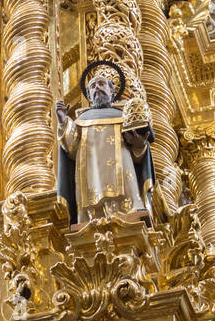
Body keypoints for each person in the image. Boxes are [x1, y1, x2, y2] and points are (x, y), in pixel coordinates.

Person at [56, 61, 156, 227]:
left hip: (123, 173)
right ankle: (90, 218)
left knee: (128, 194)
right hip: (91, 174)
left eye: (101, 84)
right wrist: (62, 122)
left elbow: (138, 158)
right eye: (93, 86)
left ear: (112, 92)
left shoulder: (124, 116)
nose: (97, 88)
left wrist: (139, 146)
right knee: (91, 204)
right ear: (88, 96)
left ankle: (132, 210)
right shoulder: (80, 121)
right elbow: (71, 149)